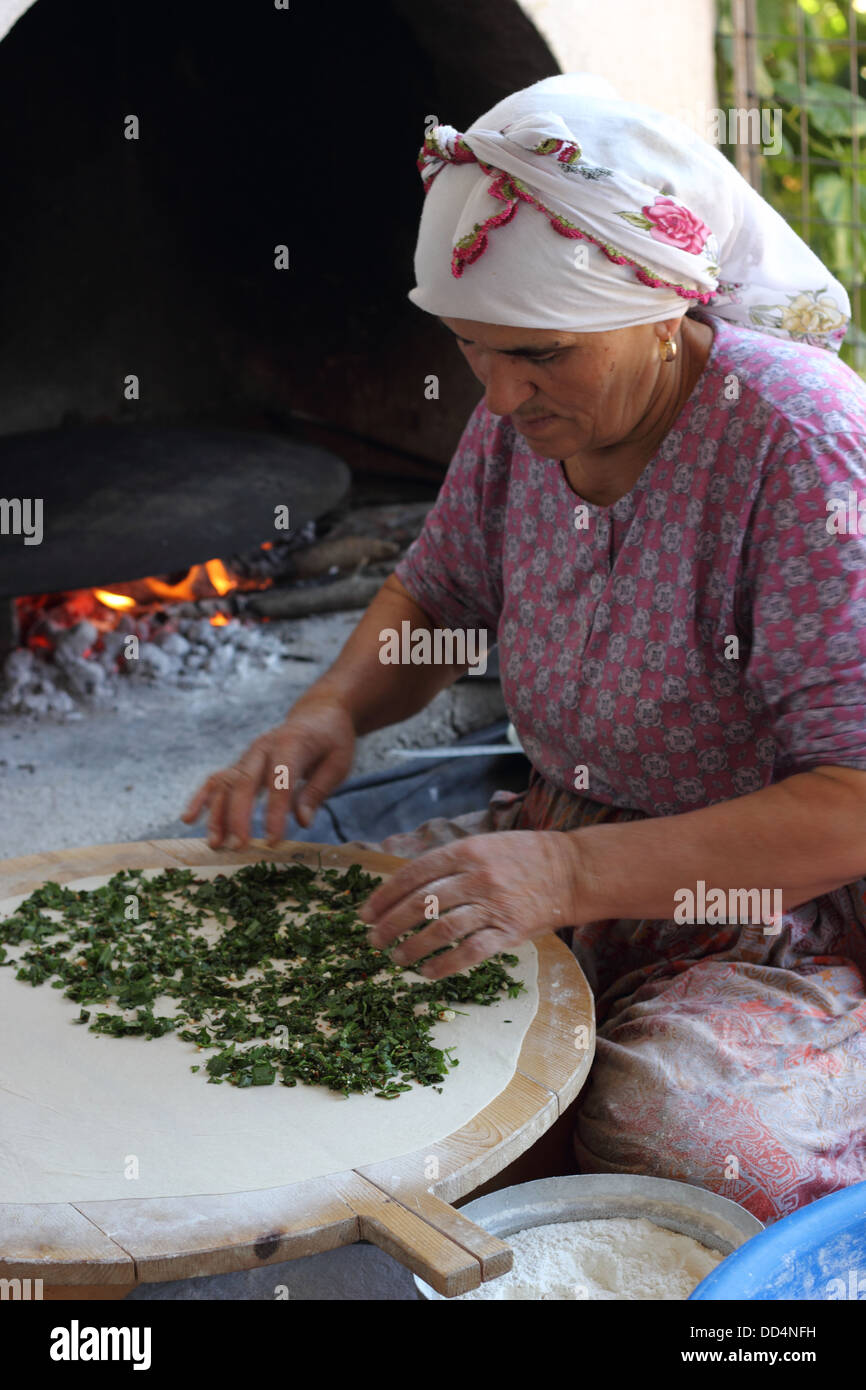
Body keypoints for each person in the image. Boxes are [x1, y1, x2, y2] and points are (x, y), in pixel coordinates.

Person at [182, 75, 866, 1223]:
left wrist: (562, 877)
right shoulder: (528, 413)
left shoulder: (800, 445)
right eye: (470, 350)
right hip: (553, 839)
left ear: (659, 309)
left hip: (769, 913)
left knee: (676, 1137)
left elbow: (850, 801)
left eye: (538, 354)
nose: (496, 396)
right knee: (281, 979)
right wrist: (330, 713)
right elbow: (438, 588)